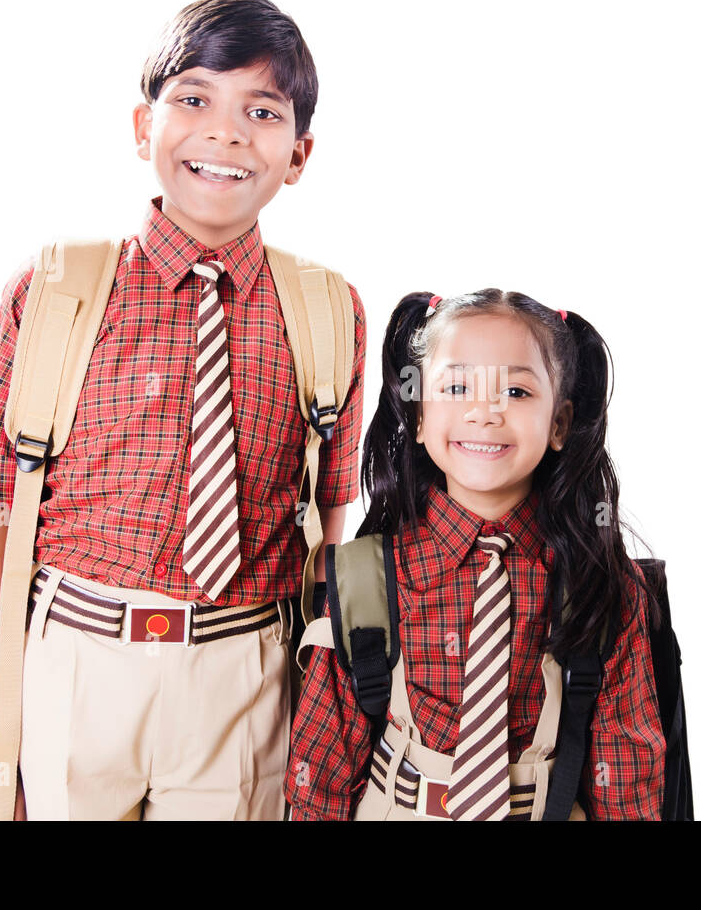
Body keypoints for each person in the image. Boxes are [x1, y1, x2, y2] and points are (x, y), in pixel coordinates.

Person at [0, 0, 367, 821]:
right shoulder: (57, 288)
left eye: (263, 111)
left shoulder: (326, 309)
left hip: (243, 680)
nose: (227, 132)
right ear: (144, 128)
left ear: (300, 152)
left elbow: (326, 525)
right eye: (195, 99)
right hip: (74, 665)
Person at [285, 290, 665, 820]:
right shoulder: (368, 580)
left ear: (559, 423)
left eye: (515, 390)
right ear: (418, 417)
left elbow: (628, 781)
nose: (484, 413)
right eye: (457, 386)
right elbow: (319, 774)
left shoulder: (597, 581)